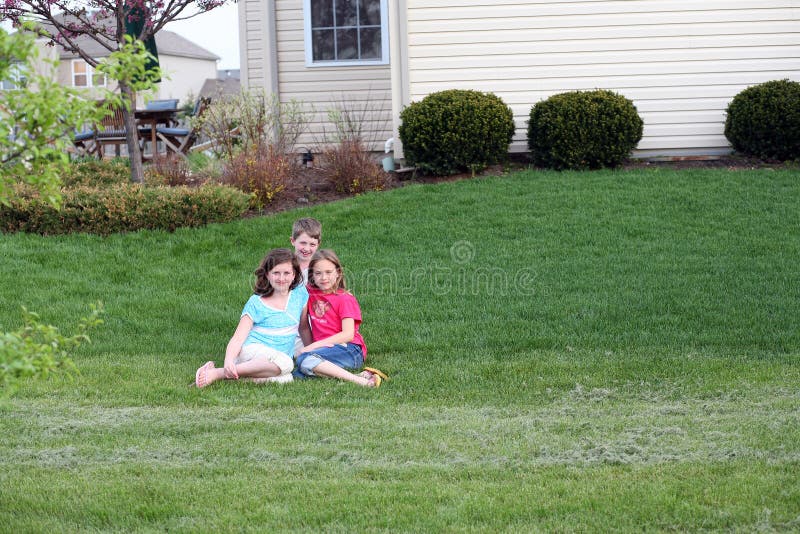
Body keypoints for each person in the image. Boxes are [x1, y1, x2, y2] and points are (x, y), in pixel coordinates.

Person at [195, 248, 309, 388]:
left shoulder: (300, 295)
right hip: (252, 352)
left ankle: (230, 377)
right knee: (286, 363)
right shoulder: (257, 302)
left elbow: (303, 327)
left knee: (286, 379)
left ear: (294, 275)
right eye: (276, 273)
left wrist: (310, 352)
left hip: (277, 359)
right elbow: (238, 338)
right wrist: (229, 360)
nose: (281, 278)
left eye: (286, 273)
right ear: (267, 274)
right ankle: (220, 373)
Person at [296, 249, 388, 388]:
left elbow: (348, 334)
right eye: (318, 273)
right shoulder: (309, 293)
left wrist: (311, 348)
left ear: (338, 272)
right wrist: (311, 348)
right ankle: (359, 376)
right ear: (312, 275)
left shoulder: (344, 298)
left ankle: (363, 383)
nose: (323, 277)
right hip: (325, 350)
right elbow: (303, 325)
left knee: (304, 361)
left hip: (350, 350)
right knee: (299, 373)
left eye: (328, 272)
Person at [290, 217, 321, 284]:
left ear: (318, 244)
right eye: (303, 243)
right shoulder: (284, 265)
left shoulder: (322, 267)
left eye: (312, 244)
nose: (307, 249)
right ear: (293, 241)